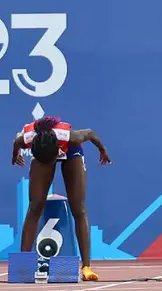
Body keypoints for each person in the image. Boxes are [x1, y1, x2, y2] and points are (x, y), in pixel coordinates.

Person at [11, 116, 112, 282]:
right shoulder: (28, 138)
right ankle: (23, 266)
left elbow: (91, 133)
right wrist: (15, 155)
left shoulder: (71, 137)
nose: (53, 164)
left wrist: (102, 150)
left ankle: (86, 267)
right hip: (43, 151)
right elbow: (16, 144)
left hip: (71, 152)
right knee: (35, 206)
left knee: (78, 208)